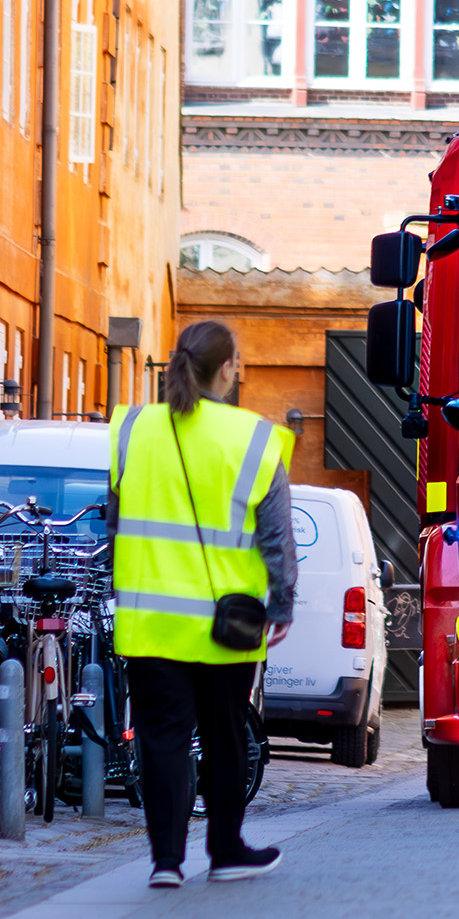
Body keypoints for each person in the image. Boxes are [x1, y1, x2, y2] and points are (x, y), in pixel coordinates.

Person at [108, 319, 298, 889]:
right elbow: (277, 540)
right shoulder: (256, 439)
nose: (240, 369)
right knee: (224, 736)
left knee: (162, 740)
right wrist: (282, 606)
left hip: (150, 622)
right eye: (238, 360)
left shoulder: (132, 430)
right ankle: (225, 851)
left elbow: (115, 521)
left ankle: (165, 862)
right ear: (224, 369)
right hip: (227, 623)